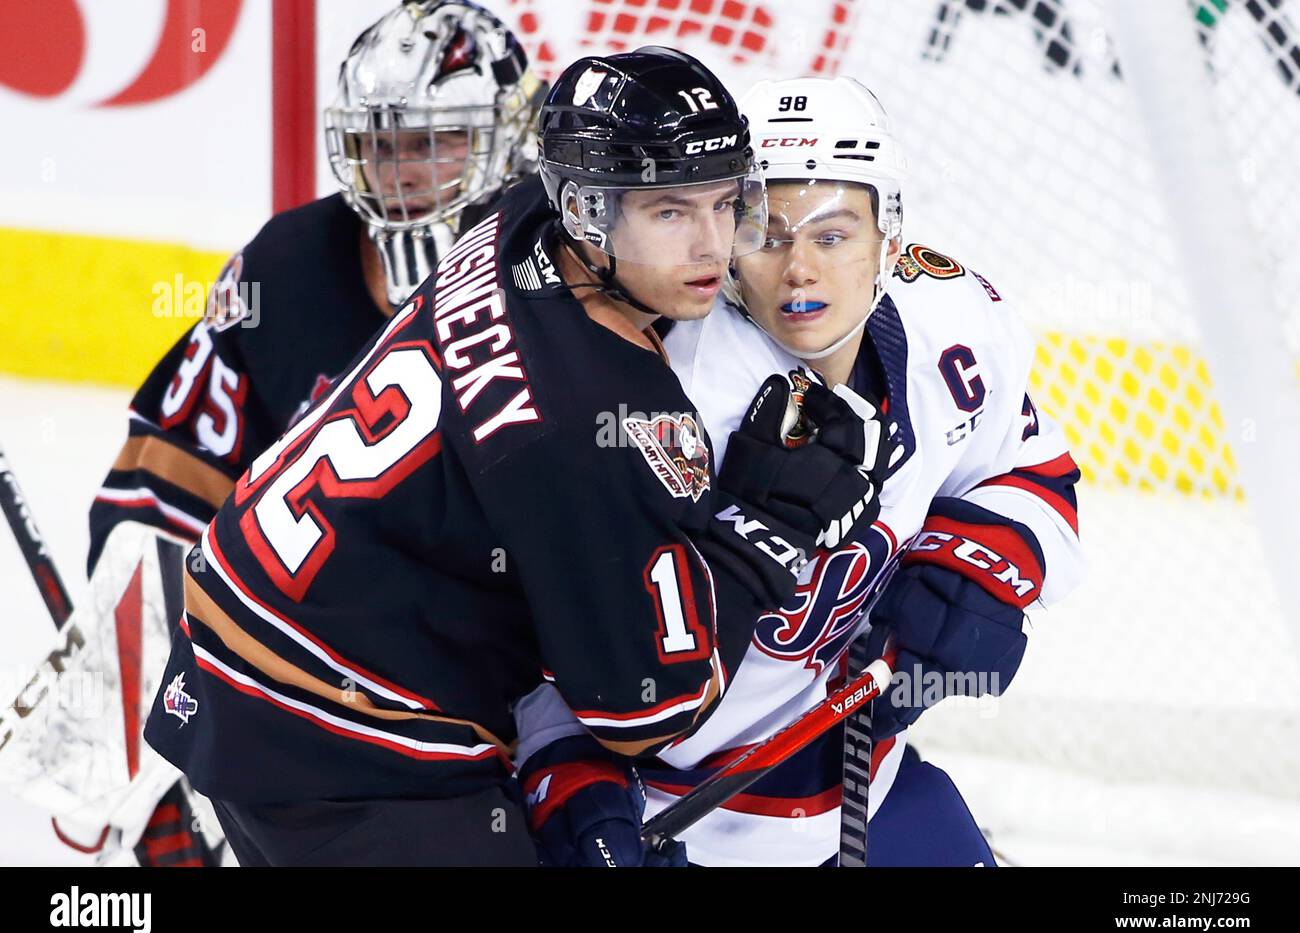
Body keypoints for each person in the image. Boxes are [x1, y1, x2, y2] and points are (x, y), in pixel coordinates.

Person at [139, 48, 891, 866]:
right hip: (345, 748)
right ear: (588, 209)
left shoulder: (513, 217)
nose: (713, 246)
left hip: (236, 646)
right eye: (670, 214)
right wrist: (764, 527)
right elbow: (647, 710)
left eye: (725, 202)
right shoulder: (586, 426)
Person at [514, 76, 1084, 866]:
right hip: (666, 807)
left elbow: (1032, 467)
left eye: (833, 234)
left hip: (859, 787)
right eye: (767, 232)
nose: (799, 270)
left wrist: (980, 570)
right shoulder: (658, 394)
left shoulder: (956, 327)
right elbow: (533, 629)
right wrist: (572, 789)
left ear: (889, 236)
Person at [39, 0, 544, 867]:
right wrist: (159, 728)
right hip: (307, 680)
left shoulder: (560, 272)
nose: (402, 175)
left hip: (503, 672)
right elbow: (162, 491)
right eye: (382, 144)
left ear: (511, 134)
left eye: (434, 143)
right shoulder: (288, 266)